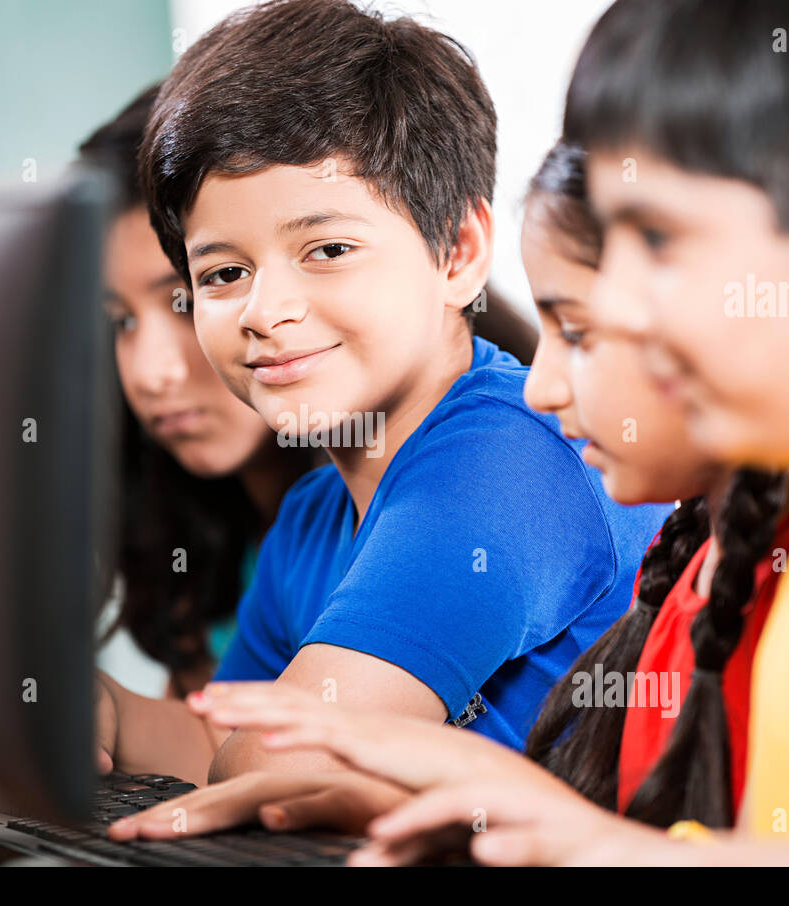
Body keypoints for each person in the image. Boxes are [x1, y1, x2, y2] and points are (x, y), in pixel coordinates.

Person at [118, 0, 789, 866]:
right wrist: (539, 827)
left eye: (659, 240)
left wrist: (600, 850)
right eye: (224, 273)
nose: (623, 307)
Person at [93, 0, 670, 786]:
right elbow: (218, 744)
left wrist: (236, 756)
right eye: (225, 273)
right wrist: (99, 713)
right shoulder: (309, 518)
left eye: (327, 249)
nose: (265, 311)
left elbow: (275, 764)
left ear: (459, 254)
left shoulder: (506, 465)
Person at [79, 85, 317, 698]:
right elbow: (208, 757)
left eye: (187, 301)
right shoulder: (195, 524)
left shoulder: (435, 496)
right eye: (118, 322)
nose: (151, 374)